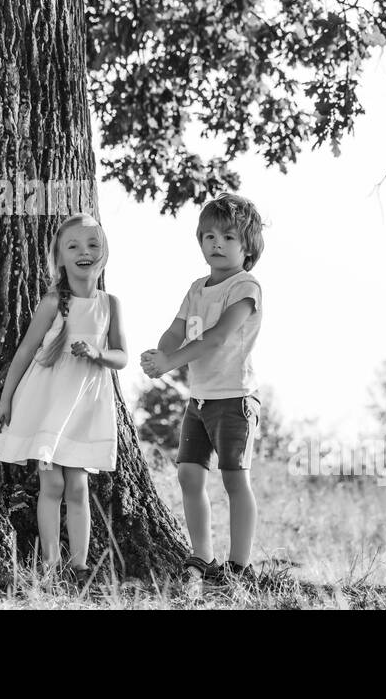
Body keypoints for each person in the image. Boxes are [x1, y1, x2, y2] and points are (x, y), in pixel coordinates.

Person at [0, 213, 127, 585]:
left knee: (78, 486)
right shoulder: (53, 303)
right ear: (59, 257)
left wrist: (97, 354)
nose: (84, 252)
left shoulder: (109, 304)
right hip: (48, 406)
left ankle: (79, 565)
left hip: (83, 409)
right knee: (53, 485)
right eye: (73, 246)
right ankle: (49, 563)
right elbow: (25, 352)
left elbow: (121, 356)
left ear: (105, 253)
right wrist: (5, 400)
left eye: (93, 244)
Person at [141, 193, 265, 584]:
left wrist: (171, 363)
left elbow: (217, 337)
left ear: (248, 247)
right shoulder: (197, 287)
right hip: (199, 400)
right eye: (209, 236)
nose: (217, 244)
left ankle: (239, 565)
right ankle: (202, 556)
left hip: (234, 399)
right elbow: (177, 330)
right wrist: (158, 357)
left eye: (228, 237)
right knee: (189, 476)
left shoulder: (246, 286)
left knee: (234, 479)